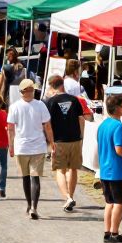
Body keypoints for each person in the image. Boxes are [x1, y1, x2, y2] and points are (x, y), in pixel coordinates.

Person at [7, 79, 53, 219]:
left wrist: (11, 146)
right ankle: (34, 206)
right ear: (32, 91)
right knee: (35, 178)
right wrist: (51, 142)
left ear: (21, 92)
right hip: (38, 146)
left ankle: (29, 205)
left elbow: (10, 129)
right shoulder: (40, 105)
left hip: (22, 146)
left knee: (25, 178)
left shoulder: (14, 107)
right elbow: (47, 126)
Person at [97, 93, 122, 243]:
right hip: (116, 170)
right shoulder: (118, 127)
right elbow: (120, 149)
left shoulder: (103, 125)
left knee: (109, 202)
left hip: (105, 169)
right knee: (119, 202)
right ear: (117, 108)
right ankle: (114, 233)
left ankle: (107, 232)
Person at [44, 74, 85, 213]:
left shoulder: (50, 102)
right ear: (63, 84)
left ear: (51, 86)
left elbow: (47, 124)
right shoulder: (74, 99)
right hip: (75, 139)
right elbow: (81, 119)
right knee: (73, 169)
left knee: (60, 170)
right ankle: (71, 196)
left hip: (59, 140)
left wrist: (50, 141)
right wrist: (81, 136)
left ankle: (67, 197)